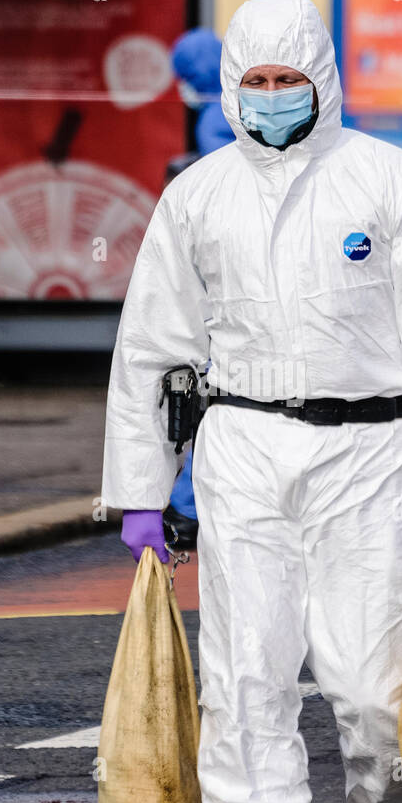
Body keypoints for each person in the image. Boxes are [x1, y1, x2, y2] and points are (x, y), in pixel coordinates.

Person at [101, 0, 402, 803]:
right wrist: (142, 487)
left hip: (369, 458)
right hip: (240, 454)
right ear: (232, 87)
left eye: (288, 80)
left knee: (369, 684)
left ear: (322, 80)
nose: (272, 98)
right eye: (255, 82)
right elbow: (150, 349)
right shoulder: (197, 198)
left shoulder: (388, 183)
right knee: (247, 681)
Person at [163, 28, 236, 549]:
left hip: (222, 282)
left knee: (216, 400)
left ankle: (187, 511)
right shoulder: (233, 108)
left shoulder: (215, 118)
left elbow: (215, 191)